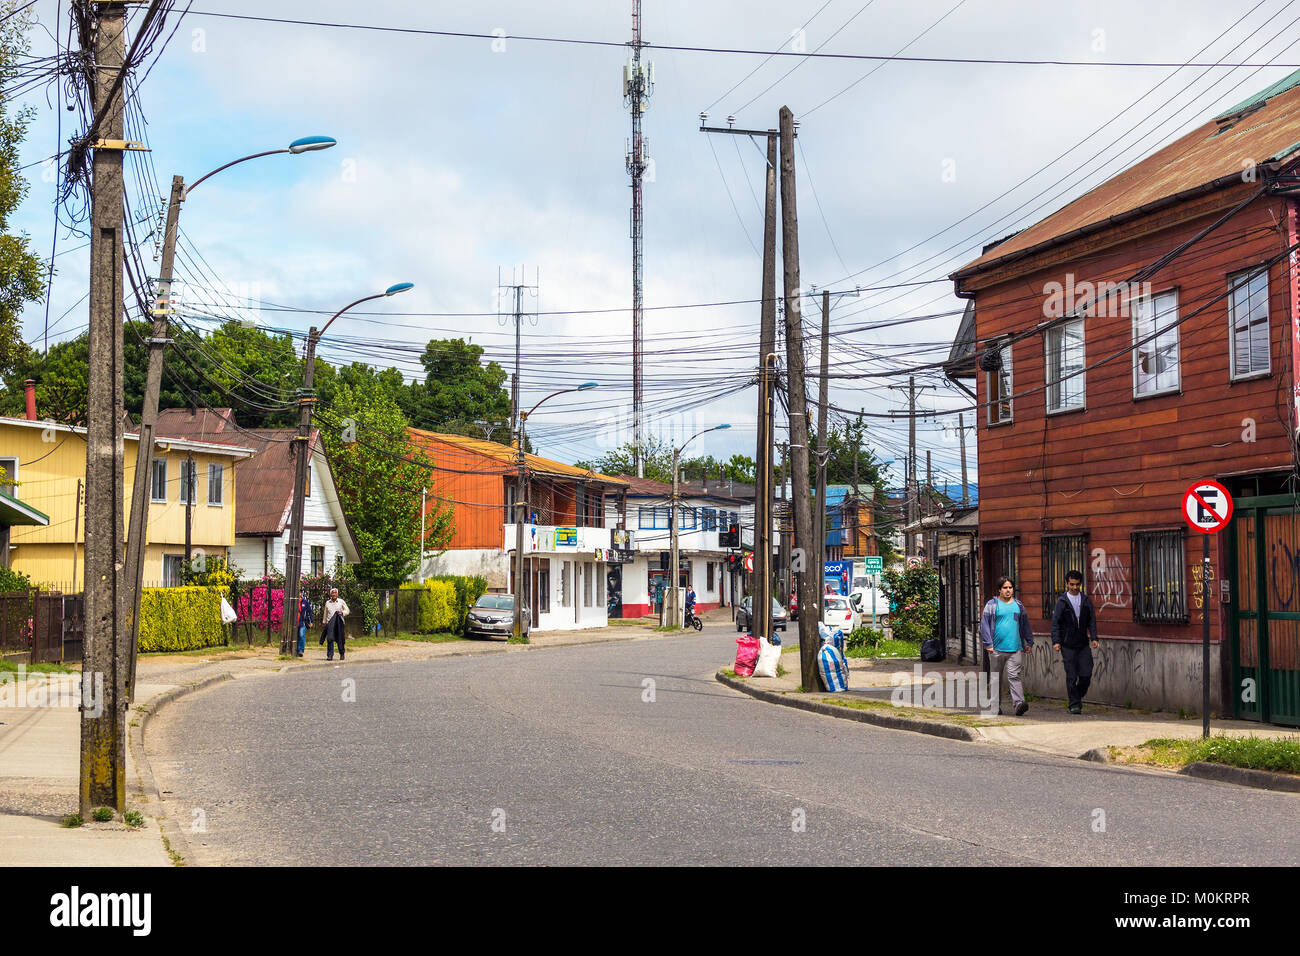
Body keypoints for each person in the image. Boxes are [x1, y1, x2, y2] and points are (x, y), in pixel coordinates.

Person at [980, 577, 1034, 716]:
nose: (1008, 590)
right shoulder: (992, 605)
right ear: (999, 590)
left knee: (1014, 676)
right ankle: (994, 706)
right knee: (995, 678)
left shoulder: (1018, 605)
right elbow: (984, 625)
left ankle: (1019, 704)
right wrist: (988, 644)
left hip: (1015, 648)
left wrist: (1028, 641)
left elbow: (1025, 625)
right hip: (996, 649)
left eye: (1010, 587)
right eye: (1005, 588)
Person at [1051, 570, 1100, 714]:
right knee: (1071, 675)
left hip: (1083, 643)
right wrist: (1056, 641)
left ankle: (1077, 696)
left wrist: (1094, 638)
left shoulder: (1085, 600)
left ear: (1080, 584)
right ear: (1066, 584)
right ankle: (1074, 704)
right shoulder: (1062, 602)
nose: (1074, 587)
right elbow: (1055, 623)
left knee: (1086, 673)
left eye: (1077, 584)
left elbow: (1092, 620)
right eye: (1071, 584)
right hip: (1067, 644)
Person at [321, 587, 350, 661]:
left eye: (335, 593)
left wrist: (342, 613)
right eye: (332, 593)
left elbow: (347, 610)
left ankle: (342, 653)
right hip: (329, 624)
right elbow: (325, 613)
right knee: (330, 639)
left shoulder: (341, 602)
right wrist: (324, 622)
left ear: (337, 594)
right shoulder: (327, 603)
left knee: (340, 639)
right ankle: (330, 655)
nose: (334, 594)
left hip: (339, 624)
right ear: (330, 594)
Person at [295, 592, 313, 657]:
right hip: (294, 622)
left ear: (300, 593)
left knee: (301, 635)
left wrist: (311, 621)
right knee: (295, 636)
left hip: (302, 622)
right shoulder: (293, 601)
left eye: (299, 592)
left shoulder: (304, 602)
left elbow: (309, 612)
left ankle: (300, 650)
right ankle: (295, 649)